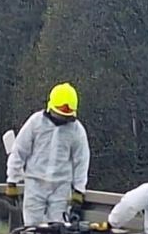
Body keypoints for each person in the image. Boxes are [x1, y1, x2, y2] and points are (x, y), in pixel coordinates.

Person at [6, 82, 90, 226]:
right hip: (34, 183)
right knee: (32, 227)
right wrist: (12, 180)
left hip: (61, 187)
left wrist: (79, 190)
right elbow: (19, 151)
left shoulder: (76, 130)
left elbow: (81, 161)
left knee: (58, 228)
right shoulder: (35, 122)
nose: (63, 119)